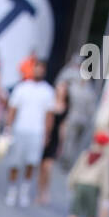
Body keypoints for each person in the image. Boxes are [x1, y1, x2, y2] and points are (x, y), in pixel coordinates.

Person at [4, 57, 54, 206]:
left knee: (31, 163)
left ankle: (24, 191)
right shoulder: (22, 88)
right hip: (20, 129)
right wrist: (8, 128)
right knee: (15, 162)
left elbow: (48, 115)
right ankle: (12, 190)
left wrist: (46, 134)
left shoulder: (47, 91)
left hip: (36, 132)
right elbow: (13, 109)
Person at [59, 130, 109, 217]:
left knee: (74, 212)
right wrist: (106, 195)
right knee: (90, 215)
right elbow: (106, 180)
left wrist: (71, 183)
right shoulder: (104, 160)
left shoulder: (85, 154)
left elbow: (75, 170)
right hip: (92, 188)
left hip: (81, 185)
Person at [36, 74, 69, 204]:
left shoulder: (65, 107)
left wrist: (61, 143)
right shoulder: (49, 101)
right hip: (45, 134)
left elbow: (62, 126)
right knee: (41, 167)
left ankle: (45, 190)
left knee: (48, 167)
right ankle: (40, 191)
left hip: (54, 137)